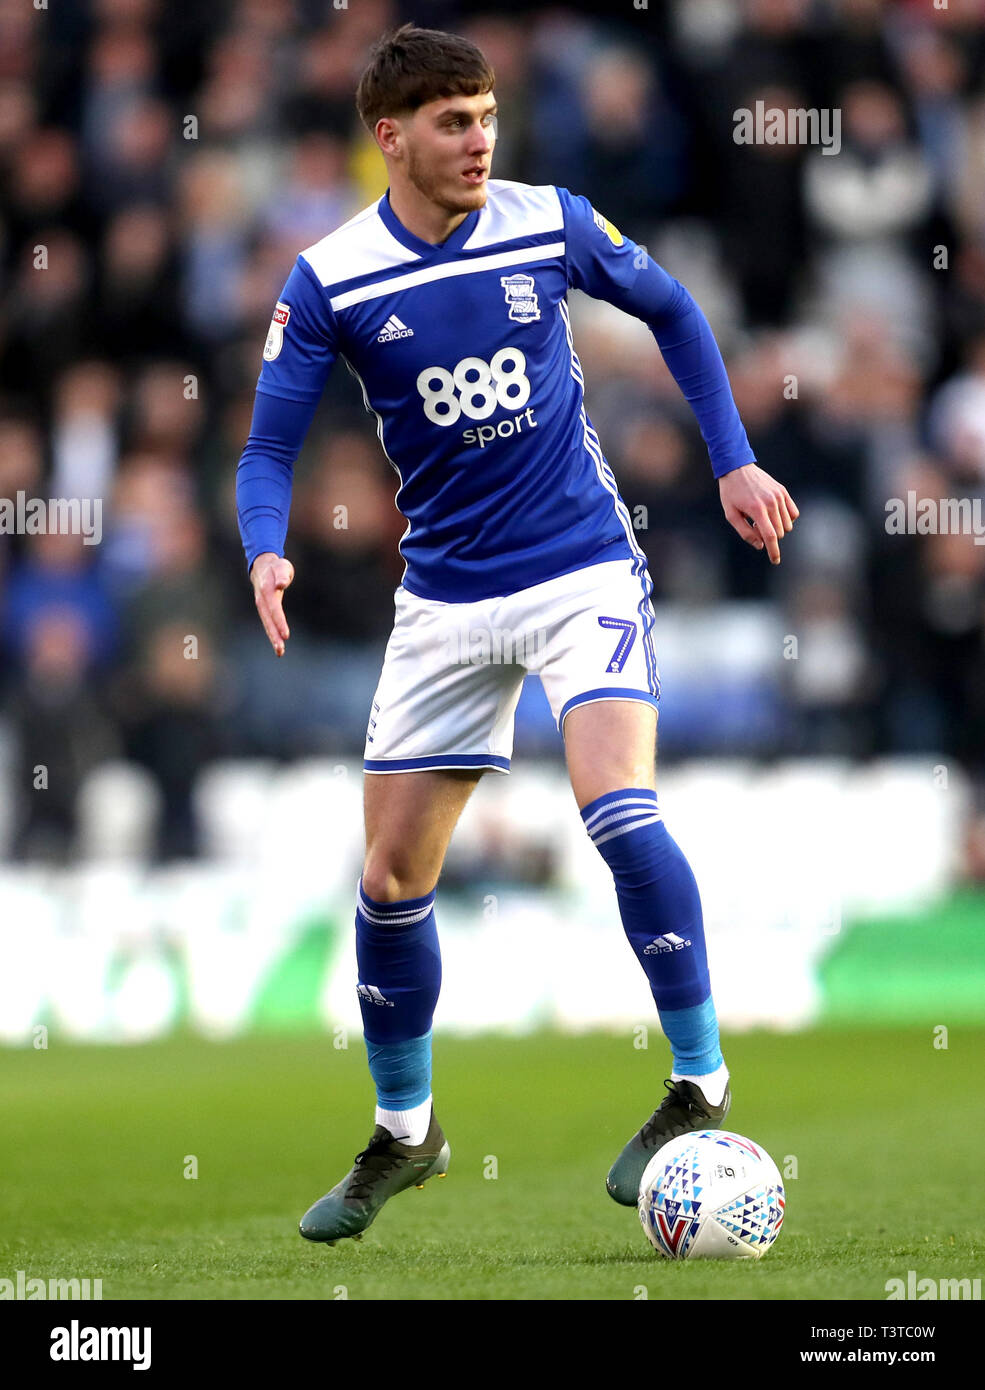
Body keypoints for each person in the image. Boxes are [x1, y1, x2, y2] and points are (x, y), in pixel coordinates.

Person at [235, 24, 798, 1245]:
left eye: (487, 115)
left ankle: (697, 1083)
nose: (479, 139)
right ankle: (407, 1132)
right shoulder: (329, 276)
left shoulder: (548, 220)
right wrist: (265, 544)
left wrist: (734, 461)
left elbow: (674, 308)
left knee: (617, 809)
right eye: (452, 121)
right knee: (389, 882)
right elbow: (270, 443)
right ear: (390, 137)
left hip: (579, 567)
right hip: (441, 599)